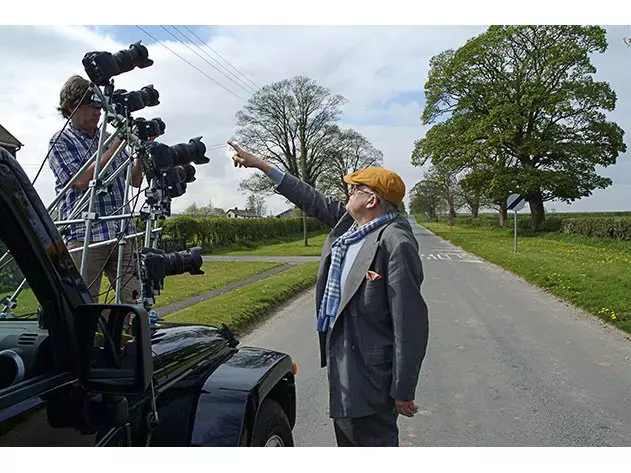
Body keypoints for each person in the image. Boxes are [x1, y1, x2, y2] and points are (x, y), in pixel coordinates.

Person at [228, 141, 429, 447]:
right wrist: (262, 165)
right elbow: (311, 198)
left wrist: (403, 389)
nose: (349, 194)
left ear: (372, 200)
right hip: (344, 362)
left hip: (371, 376)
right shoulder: (351, 224)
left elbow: (410, 324)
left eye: (355, 189)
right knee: (346, 438)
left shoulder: (395, 242)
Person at [48, 74, 143, 304]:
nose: (97, 112)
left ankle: (131, 338)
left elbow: (135, 180)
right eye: (90, 105)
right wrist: (116, 144)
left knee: (136, 302)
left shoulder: (110, 138)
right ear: (70, 107)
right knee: (85, 308)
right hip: (85, 237)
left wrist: (142, 152)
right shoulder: (61, 141)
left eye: (100, 106)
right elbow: (80, 181)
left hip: (122, 233)